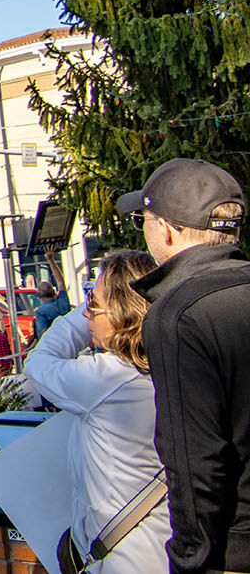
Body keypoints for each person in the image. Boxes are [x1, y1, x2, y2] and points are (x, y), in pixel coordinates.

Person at [122, 157, 248, 573]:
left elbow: (195, 462)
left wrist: (190, 562)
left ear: (167, 229)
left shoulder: (179, 314)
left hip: (235, 550)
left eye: (143, 217)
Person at [23, 250, 168, 574]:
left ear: (119, 313)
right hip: (161, 545)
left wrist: (79, 313)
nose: (88, 315)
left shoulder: (108, 379)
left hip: (124, 560)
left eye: (93, 305)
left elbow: (38, 362)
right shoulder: (172, 366)